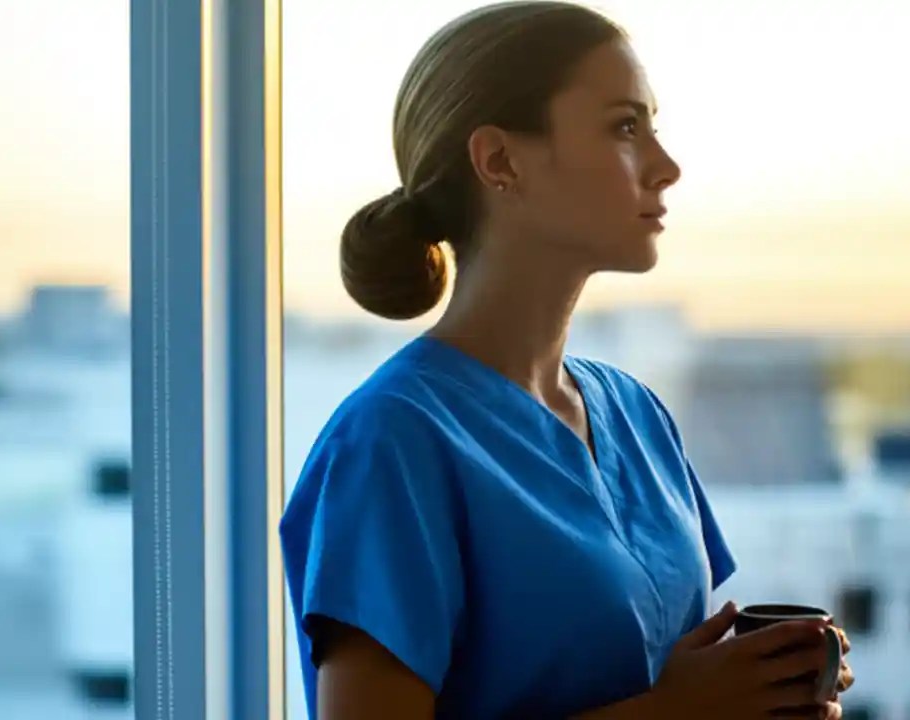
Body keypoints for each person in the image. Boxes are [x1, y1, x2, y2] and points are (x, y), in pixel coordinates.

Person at [279, 2, 855, 717]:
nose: (667, 167)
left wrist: (755, 686)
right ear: (499, 160)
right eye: (624, 127)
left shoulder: (637, 415)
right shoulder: (392, 441)